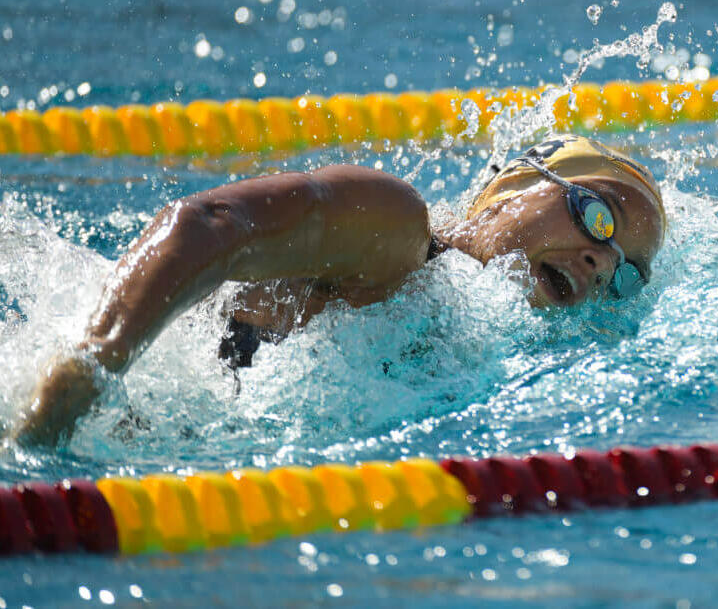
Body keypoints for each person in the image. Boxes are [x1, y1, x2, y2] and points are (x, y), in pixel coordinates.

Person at [14, 134, 666, 446]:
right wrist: (93, 363)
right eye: (598, 215)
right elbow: (206, 225)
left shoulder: (488, 359)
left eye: (626, 270)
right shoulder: (394, 230)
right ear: (519, 182)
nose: (603, 262)